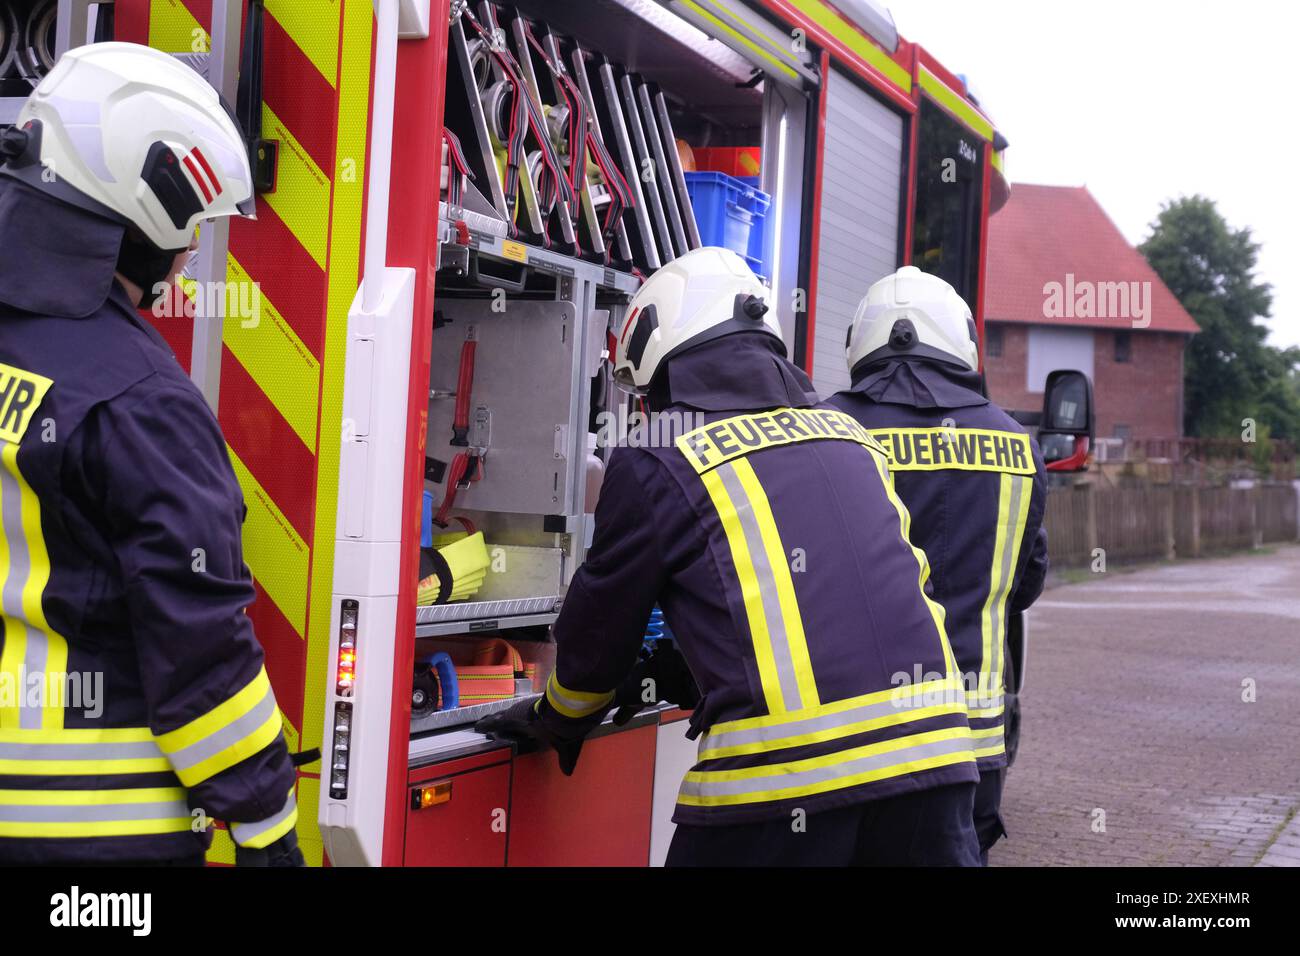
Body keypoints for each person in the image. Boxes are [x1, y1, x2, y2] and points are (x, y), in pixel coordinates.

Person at [480, 247, 981, 866]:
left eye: (649, 394)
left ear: (664, 357)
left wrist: (557, 715)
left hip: (786, 788)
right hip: (937, 769)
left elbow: (599, 630)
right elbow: (865, 590)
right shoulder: (851, 438)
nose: (650, 409)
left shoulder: (658, 459)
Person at [0, 42, 302, 866]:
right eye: (193, 225)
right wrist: (267, 827)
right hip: (90, 839)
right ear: (150, 208)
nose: (187, 253)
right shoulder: (139, 398)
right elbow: (199, 644)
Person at [828, 266, 1048, 865]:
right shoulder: (1017, 445)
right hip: (973, 746)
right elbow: (1024, 584)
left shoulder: (827, 431)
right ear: (961, 340)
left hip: (854, 746)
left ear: (862, 341)